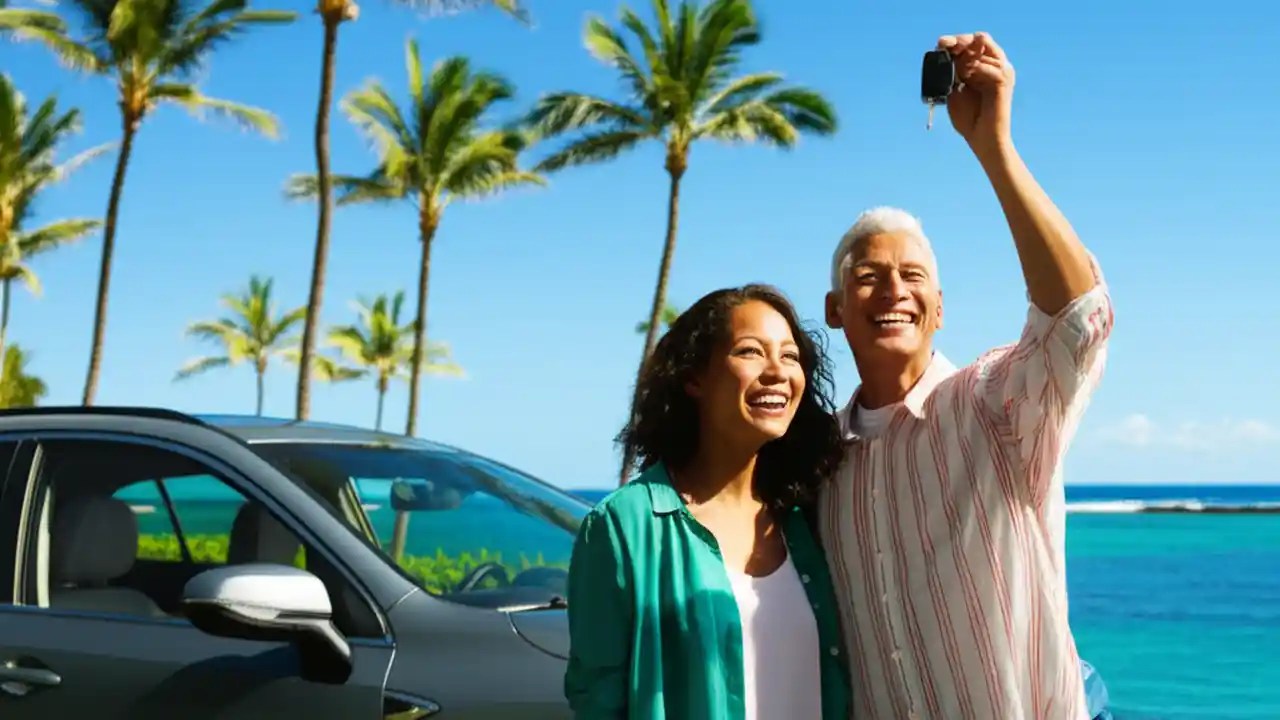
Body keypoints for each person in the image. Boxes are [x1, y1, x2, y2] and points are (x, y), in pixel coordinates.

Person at [818, 32, 1114, 720]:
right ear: (835, 309)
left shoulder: (999, 406)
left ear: (940, 308)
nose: (893, 289)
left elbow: (1078, 316)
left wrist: (995, 147)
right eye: (868, 277)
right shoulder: (818, 464)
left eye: (913, 275)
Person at [563, 284, 851, 720]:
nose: (777, 371)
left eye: (790, 356)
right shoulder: (624, 527)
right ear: (694, 377)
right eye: (751, 351)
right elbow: (598, 702)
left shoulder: (808, 518)